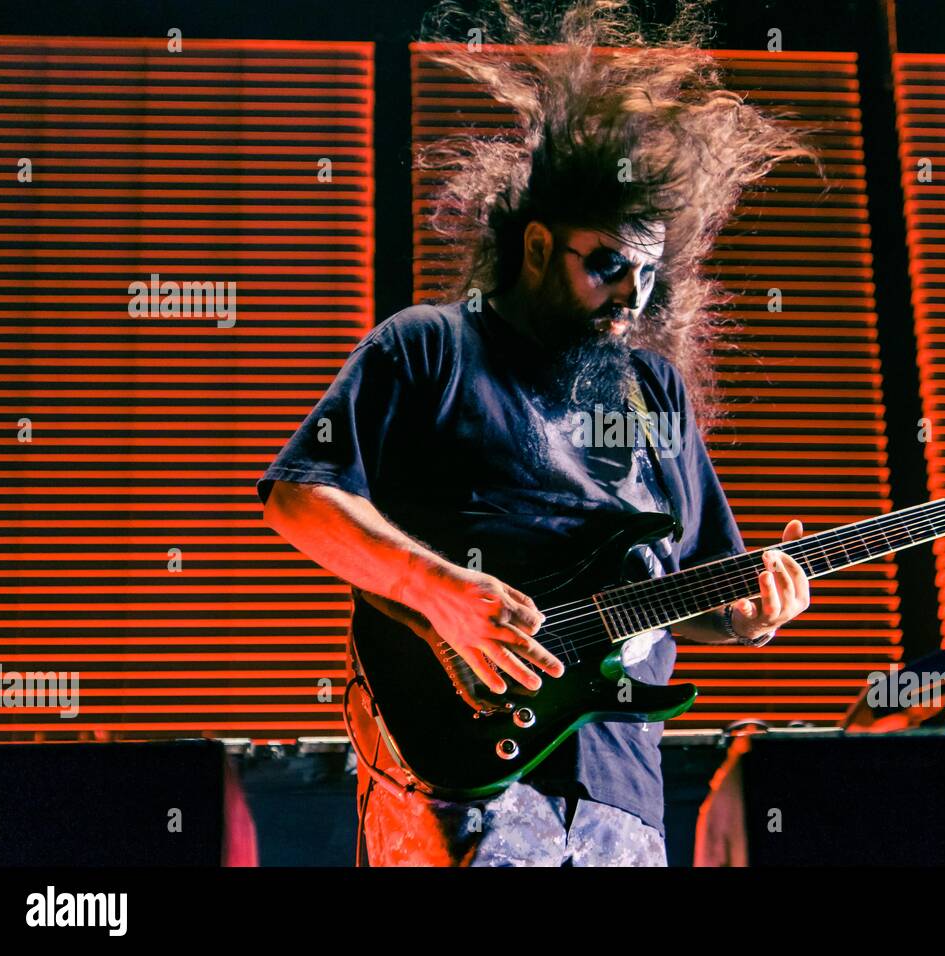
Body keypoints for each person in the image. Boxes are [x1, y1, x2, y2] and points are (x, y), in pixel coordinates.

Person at [256, 0, 819, 866]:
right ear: (534, 246)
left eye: (645, 275)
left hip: (621, 796)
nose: (630, 299)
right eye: (605, 267)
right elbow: (301, 500)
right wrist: (445, 593)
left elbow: (697, 595)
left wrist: (752, 618)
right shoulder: (431, 346)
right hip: (457, 781)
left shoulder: (652, 391)